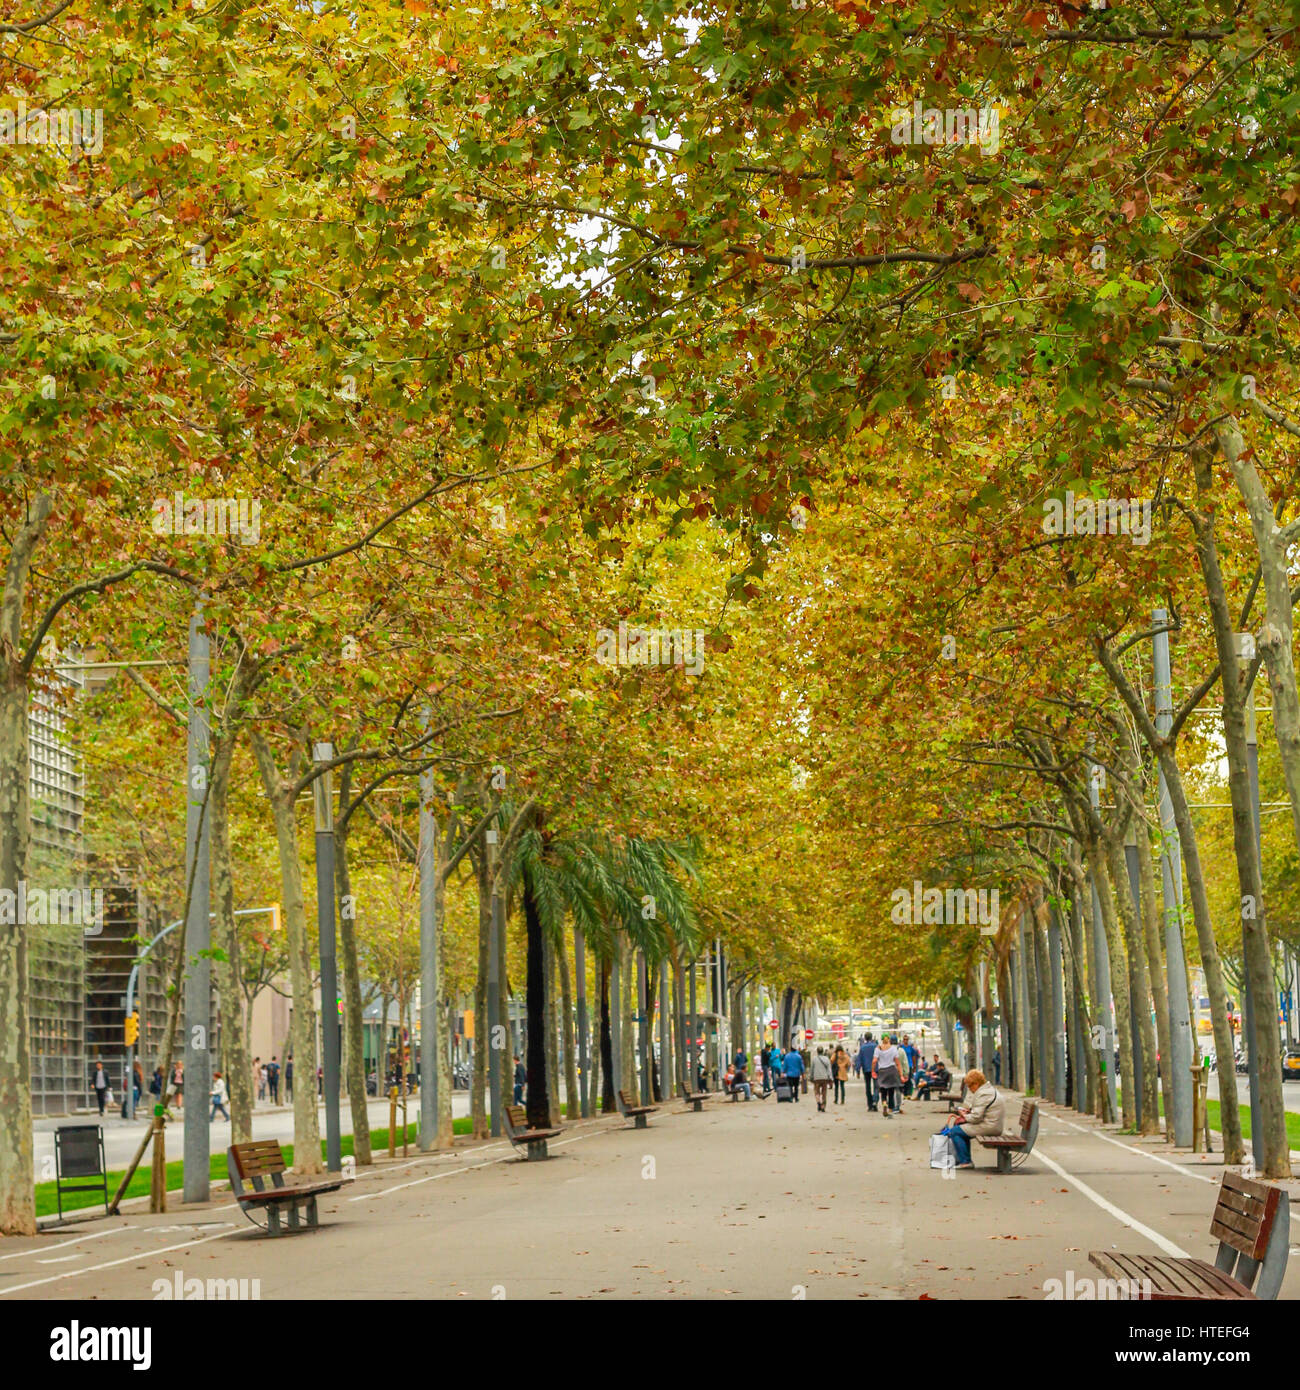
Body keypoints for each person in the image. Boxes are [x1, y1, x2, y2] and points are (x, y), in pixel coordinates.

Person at [938, 1069, 1005, 1169]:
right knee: (960, 1129)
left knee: (955, 1131)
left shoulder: (983, 1094)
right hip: (992, 1124)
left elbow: (976, 1118)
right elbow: (981, 1112)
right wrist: (968, 1113)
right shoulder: (988, 1090)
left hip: (990, 1126)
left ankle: (965, 1161)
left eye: (970, 1086)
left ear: (976, 1084)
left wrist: (964, 1115)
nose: (970, 1089)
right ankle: (965, 1159)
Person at [873, 1034, 906, 1116]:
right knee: (891, 1090)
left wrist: (872, 1070)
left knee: (883, 1089)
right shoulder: (893, 1049)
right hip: (892, 1070)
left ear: (881, 1039)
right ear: (889, 1039)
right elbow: (898, 1063)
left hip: (882, 1071)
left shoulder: (878, 1049)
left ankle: (884, 1102)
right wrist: (901, 1075)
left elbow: (874, 1061)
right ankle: (890, 1108)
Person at [854, 1032, 878, 1110]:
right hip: (875, 1069)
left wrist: (857, 1071)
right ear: (872, 1038)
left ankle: (869, 1104)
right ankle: (875, 1101)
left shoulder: (862, 1047)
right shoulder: (876, 1046)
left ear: (865, 1038)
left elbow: (859, 1060)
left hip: (866, 1069)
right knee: (876, 1086)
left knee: (868, 1087)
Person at [811, 1046, 832, 1111]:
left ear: (817, 1052)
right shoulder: (826, 1059)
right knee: (824, 1092)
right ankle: (823, 1106)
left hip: (816, 1078)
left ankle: (818, 1102)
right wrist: (830, 1078)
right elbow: (829, 1069)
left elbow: (812, 1069)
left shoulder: (814, 1059)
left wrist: (811, 1077)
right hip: (824, 1078)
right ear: (822, 1051)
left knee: (816, 1091)